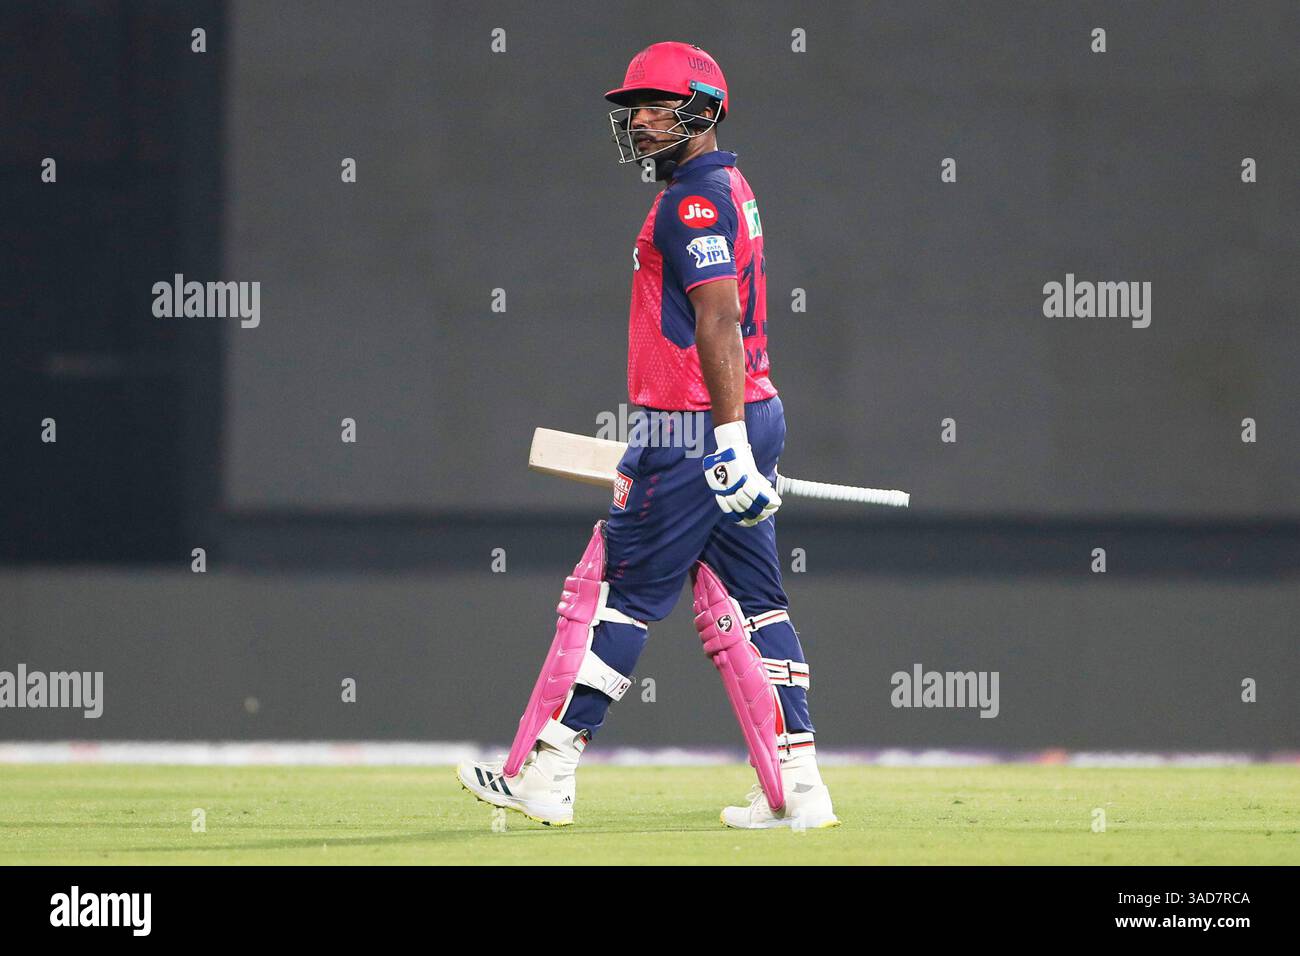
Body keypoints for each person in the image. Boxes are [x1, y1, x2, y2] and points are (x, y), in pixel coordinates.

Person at [457, 41, 838, 830]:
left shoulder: (690, 201)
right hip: (746, 415)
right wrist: (742, 436)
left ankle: (553, 771)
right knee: (761, 602)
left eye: (657, 104)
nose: (638, 120)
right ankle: (804, 788)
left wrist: (724, 439)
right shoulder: (729, 182)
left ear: (704, 108)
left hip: (693, 428)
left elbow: (719, 316)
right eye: (634, 107)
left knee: (624, 602)